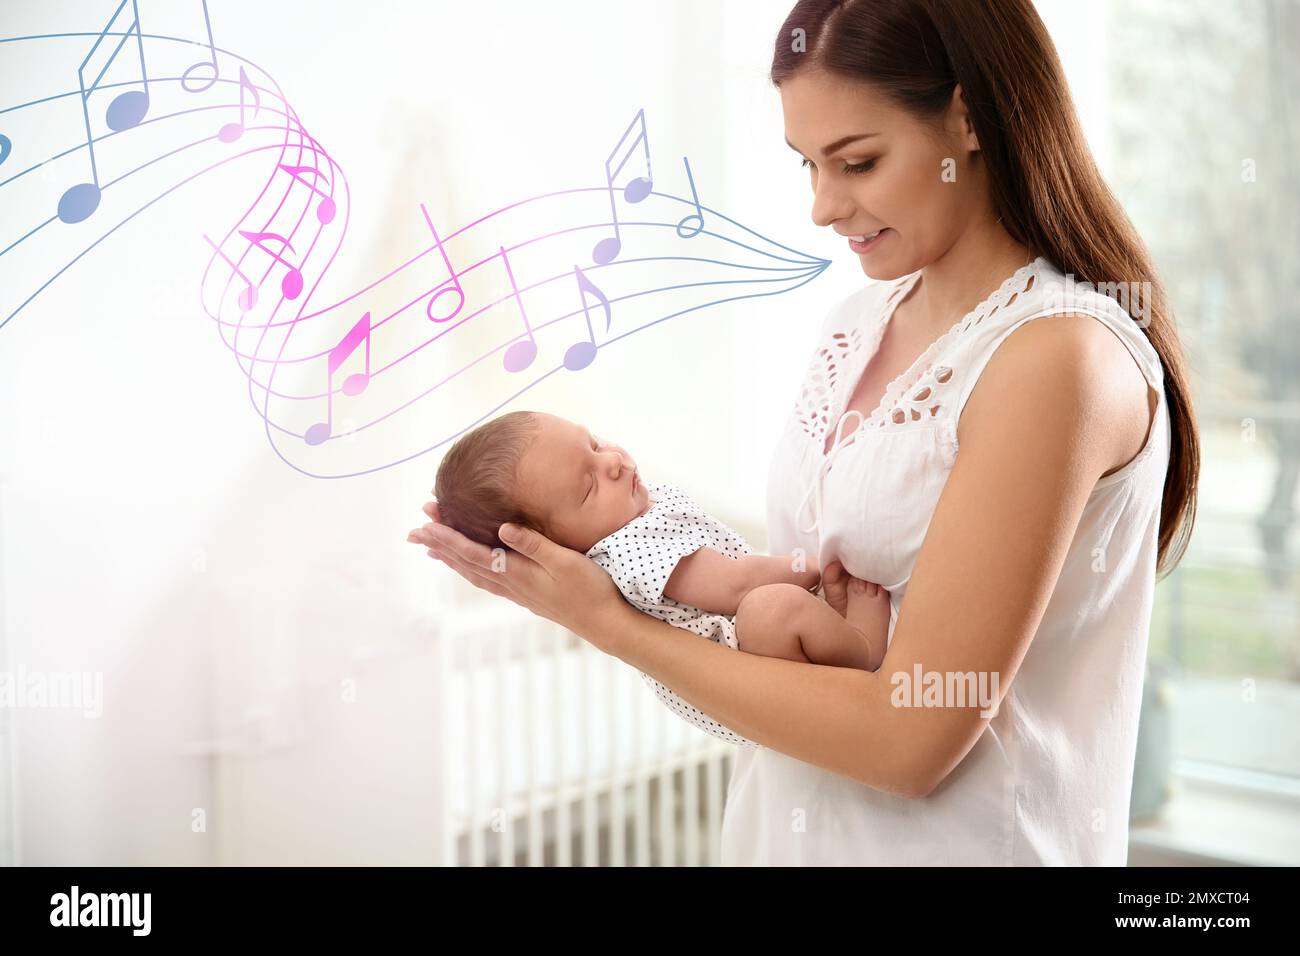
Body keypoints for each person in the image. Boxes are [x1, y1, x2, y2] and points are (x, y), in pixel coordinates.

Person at [406, 0, 1199, 865]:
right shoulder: (855, 325)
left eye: (857, 161)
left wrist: (615, 628)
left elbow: (912, 741)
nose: (823, 206)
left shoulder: (1058, 359)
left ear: (968, 118)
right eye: (807, 165)